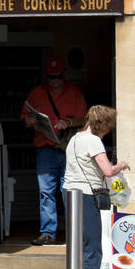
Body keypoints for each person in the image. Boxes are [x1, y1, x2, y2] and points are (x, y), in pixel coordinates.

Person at [63, 105, 129, 269]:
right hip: (85, 195)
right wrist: (121, 165)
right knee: (93, 246)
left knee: (78, 244)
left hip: (69, 193)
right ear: (104, 125)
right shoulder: (94, 141)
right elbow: (108, 171)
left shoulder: (75, 138)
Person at [21, 55, 87, 245]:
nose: (55, 81)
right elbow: (25, 118)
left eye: (58, 76)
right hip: (45, 149)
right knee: (46, 192)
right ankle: (48, 232)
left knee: (70, 190)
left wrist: (68, 122)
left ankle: (74, 233)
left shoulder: (74, 92)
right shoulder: (36, 93)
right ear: (46, 76)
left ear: (63, 75)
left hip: (68, 149)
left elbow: (84, 118)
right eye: (51, 77)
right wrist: (30, 121)